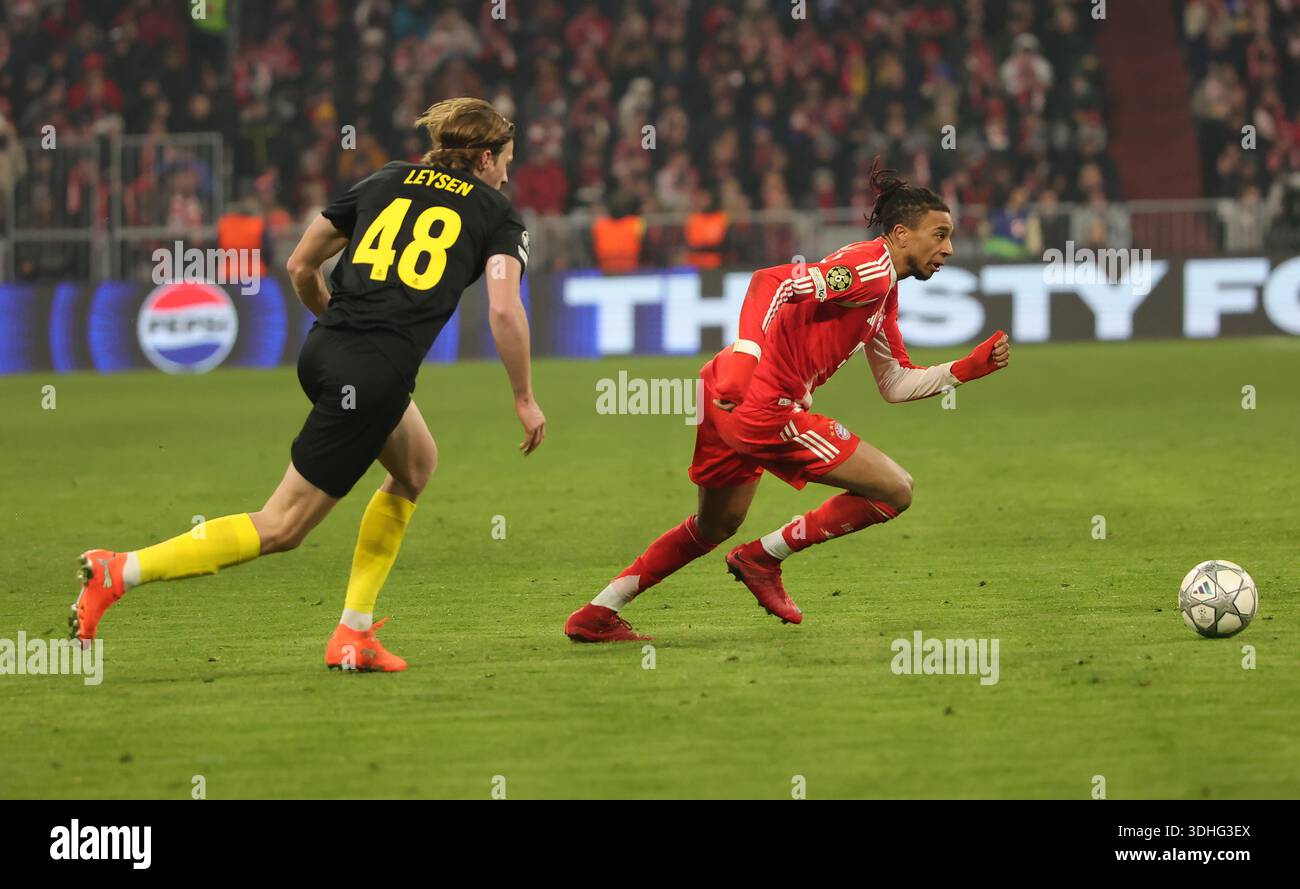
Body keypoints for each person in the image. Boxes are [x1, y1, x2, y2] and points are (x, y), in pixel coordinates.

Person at [72, 98, 546, 671]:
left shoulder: (385, 180)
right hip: (374, 372)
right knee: (283, 526)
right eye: (506, 162)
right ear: (486, 157)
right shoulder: (497, 213)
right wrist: (522, 396)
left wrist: (334, 325)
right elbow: (504, 311)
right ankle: (118, 571)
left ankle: (355, 631)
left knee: (416, 464)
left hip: (325, 351)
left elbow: (300, 264)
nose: (507, 174)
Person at [564, 161, 1010, 642]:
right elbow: (769, 282)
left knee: (713, 526)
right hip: (762, 403)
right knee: (895, 490)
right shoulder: (870, 269)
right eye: (939, 234)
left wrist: (968, 368)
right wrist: (747, 357)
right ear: (901, 234)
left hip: (723, 393)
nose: (948, 249)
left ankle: (597, 613)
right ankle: (762, 558)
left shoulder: (883, 294)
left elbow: (895, 382)